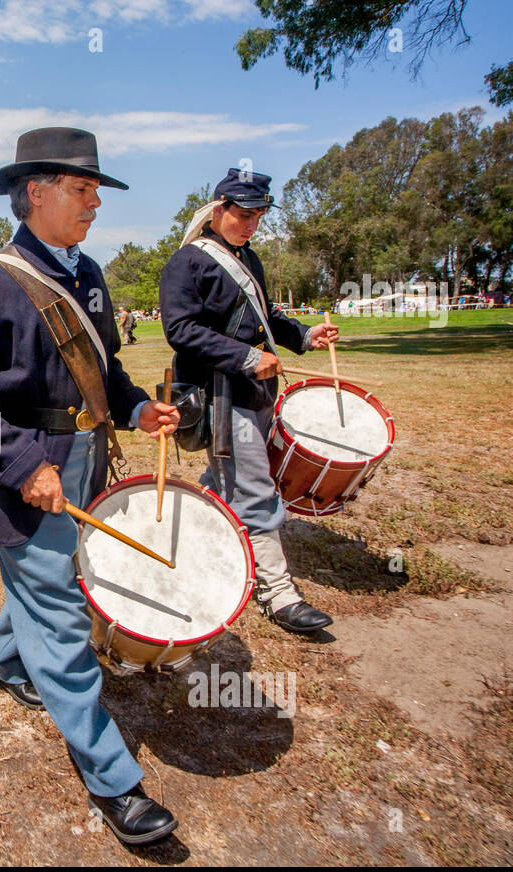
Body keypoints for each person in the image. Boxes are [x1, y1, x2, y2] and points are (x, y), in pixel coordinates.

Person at [0, 126, 182, 847]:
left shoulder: (91, 274)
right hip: (27, 470)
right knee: (65, 611)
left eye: (96, 190)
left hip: (85, 457)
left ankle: (1, 659)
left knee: (47, 585)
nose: (94, 203)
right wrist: (21, 466)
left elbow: (104, 374)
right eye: (82, 189)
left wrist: (136, 408)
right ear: (34, 192)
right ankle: (115, 781)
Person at [160, 167, 339, 634]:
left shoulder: (250, 259)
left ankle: (176, 539)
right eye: (244, 214)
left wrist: (303, 334)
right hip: (220, 394)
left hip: (256, 392)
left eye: (259, 215)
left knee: (226, 478)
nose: (252, 224)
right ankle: (277, 592)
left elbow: (266, 315)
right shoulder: (188, 263)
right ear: (219, 209)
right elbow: (180, 331)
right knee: (254, 487)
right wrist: (243, 357)